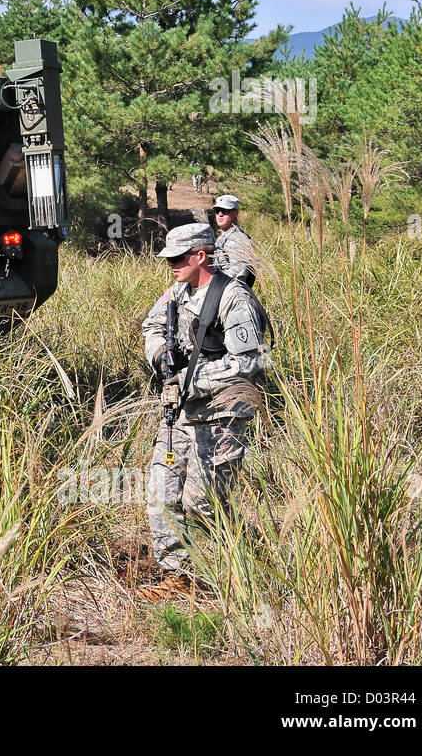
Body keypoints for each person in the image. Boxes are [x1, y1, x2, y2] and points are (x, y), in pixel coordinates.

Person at [137, 223, 268, 600]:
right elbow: (152, 324)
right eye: (169, 259)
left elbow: (250, 361)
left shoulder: (233, 297)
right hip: (180, 411)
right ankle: (177, 577)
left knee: (203, 503)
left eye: (178, 258)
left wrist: (191, 380)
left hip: (223, 410)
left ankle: (244, 564)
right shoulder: (178, 290)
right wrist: (161, 357)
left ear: (200, 255)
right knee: (161, 492)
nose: (172, 265)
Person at [210, 193, 255, 287]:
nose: (220, 214)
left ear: (236, 213)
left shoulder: (238, 239)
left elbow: (238, 274)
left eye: (225, 211)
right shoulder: (225, 236)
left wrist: (212, 284)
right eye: (217, 211)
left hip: (229, 293)